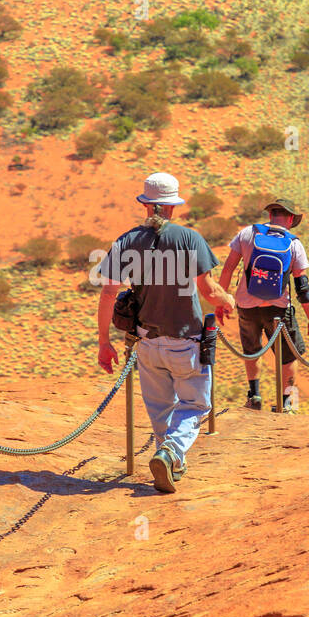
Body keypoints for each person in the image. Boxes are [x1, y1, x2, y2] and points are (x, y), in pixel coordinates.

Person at [97, 172, 236, 494]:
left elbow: (108, 294)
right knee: (196, 405)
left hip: (146, 341)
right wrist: (227, 300)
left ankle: (171, 461)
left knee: (160, 407)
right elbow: (208, 290)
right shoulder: (189, 239)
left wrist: (104, 343)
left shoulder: (127, 241)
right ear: (173, 206)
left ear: (146, 204)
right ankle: (172, 452)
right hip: (185, 339)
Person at [218, 198, 309, 411]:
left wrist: (221, 301)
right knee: (289, 356)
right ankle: (287, 403)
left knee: (252, 350)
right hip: (279, 309)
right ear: (290, 218)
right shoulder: (294, 243)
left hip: (246, 305)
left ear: (271, 214)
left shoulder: (247, 234)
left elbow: (227, 269)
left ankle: (254, 396)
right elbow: (302, 286)